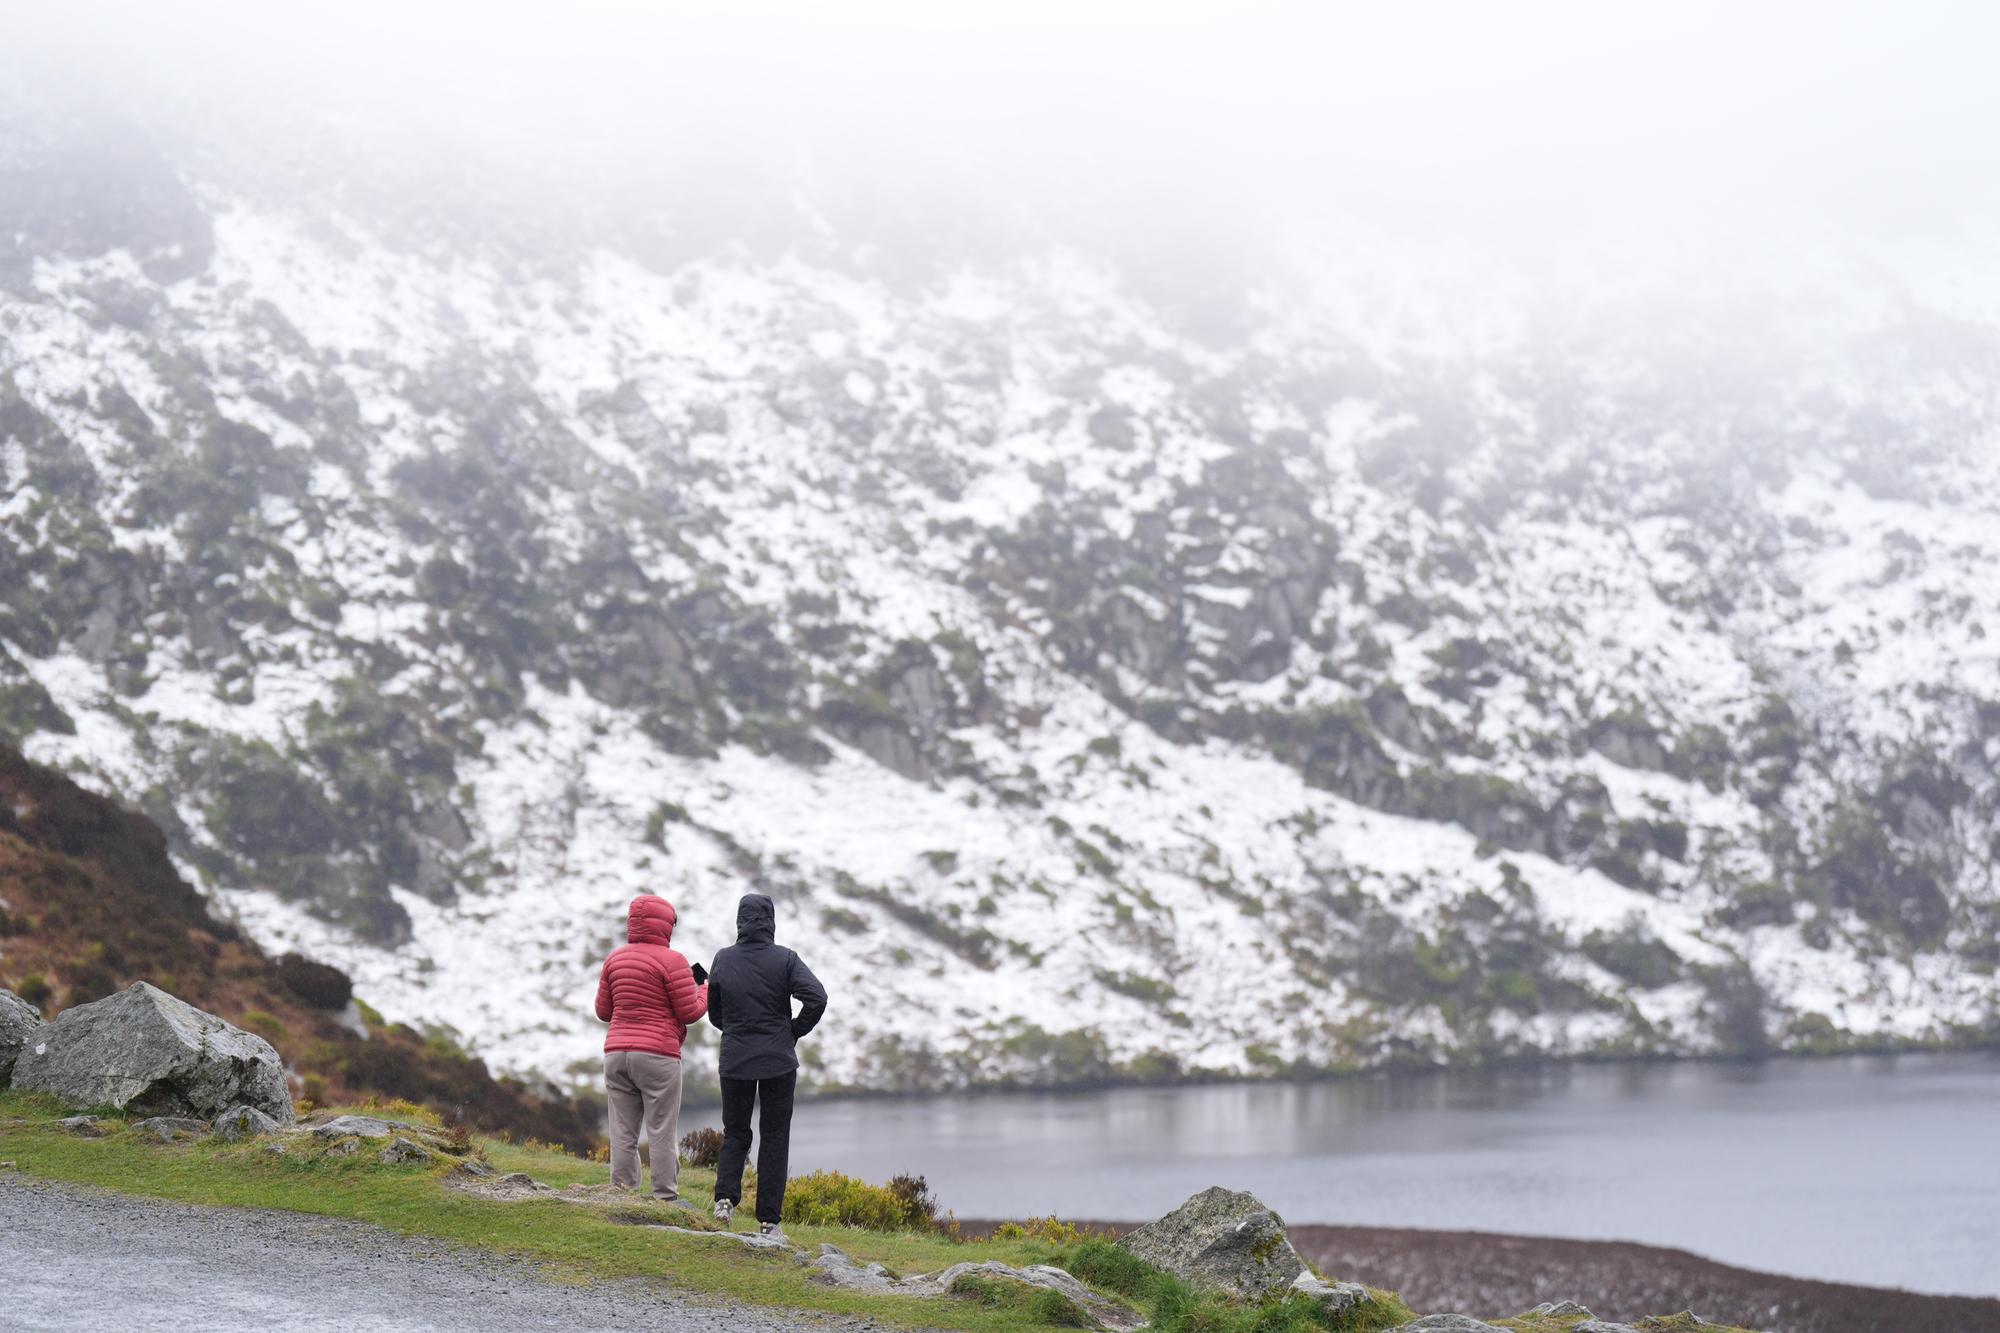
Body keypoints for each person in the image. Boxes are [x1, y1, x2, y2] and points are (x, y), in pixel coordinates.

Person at [706, 892, 827, 1234]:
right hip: (778, 1062)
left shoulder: (723, 959)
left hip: (735, 1060)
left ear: (740, 921)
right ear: (771, 921)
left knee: (735, 1132)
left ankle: (725, 1200)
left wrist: (734, 1030)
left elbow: (714, 1012)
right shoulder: (785, 959)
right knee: (774, 1137)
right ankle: (769, 1222)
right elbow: (817, 998)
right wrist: (792, 1031)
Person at [595, 893, 707, 1204]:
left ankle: (621, 1195)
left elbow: (603, 1012)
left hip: (616, 1054)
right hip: (658, 1056)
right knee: (661, 1130)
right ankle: (665, 1197)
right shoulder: (673, 961)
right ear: (666, 925)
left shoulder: (614, 959)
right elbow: (690, 1012)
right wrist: (705, 990)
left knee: (622, 1132)